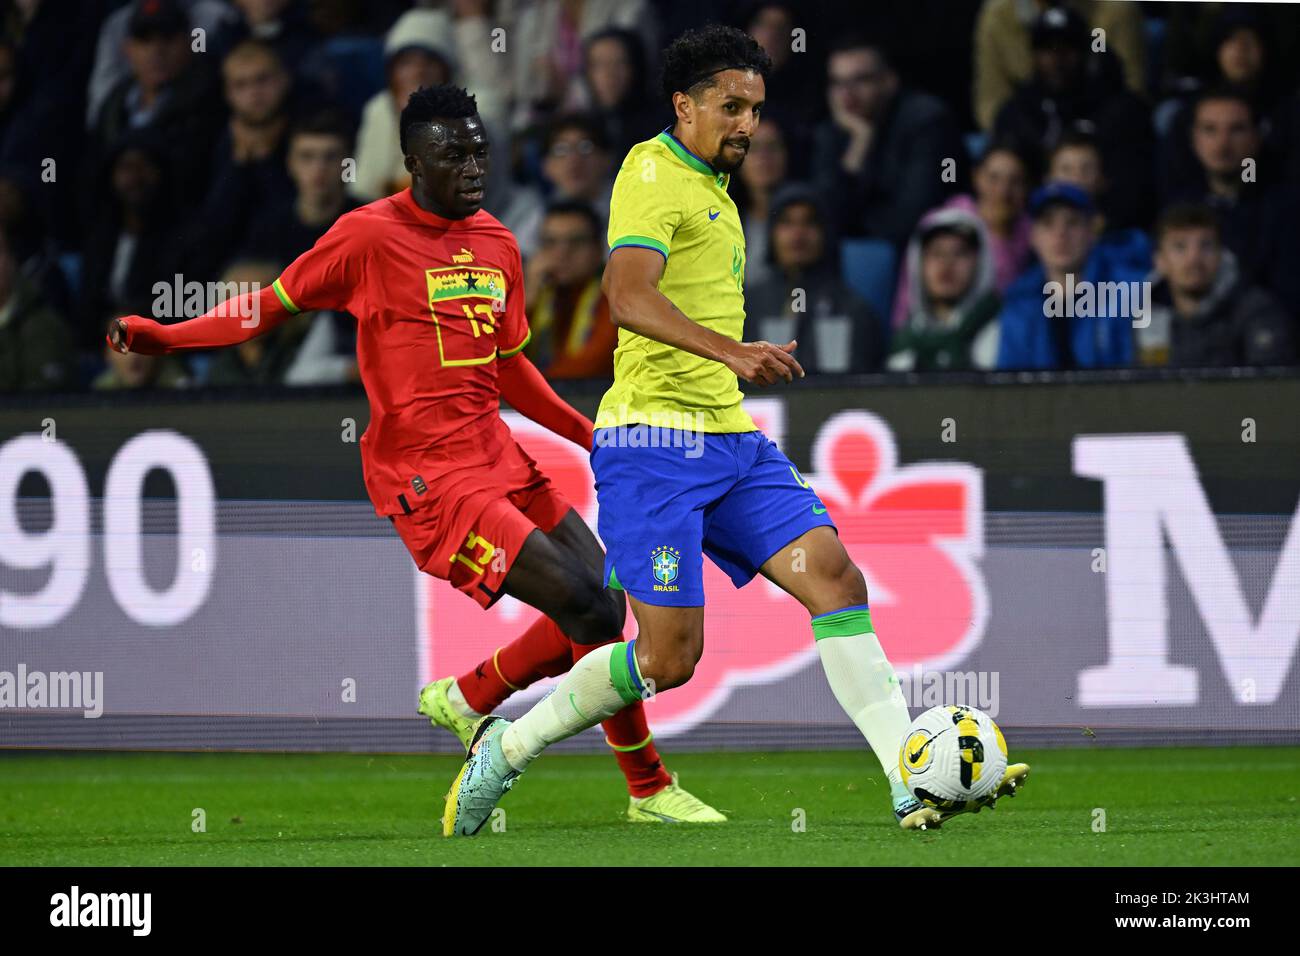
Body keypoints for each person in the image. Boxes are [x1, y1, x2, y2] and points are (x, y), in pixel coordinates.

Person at [442, 25, 1028, 837]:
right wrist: (734, 351)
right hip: (652, 446)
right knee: (668, 659)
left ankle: (909, 780)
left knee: (836, 580)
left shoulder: (715, 185)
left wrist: (729, 372)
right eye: (730, 107)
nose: (746, 124)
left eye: (755, 107)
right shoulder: (652, 172)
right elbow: (627, 294)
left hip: (729, 439)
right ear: (683, 107)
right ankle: (508, 747)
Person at [107, 84, 722, 826]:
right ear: (411, 163)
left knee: (608, 602)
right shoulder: (365, 237)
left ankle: (471, 697)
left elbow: (511, 365)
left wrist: (593, 436)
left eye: (479, 151)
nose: (472, 166)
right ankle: (646, 788)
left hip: (498, 458)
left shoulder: (496, 240)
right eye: (452, 154)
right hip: (428, 479)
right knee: (592, 608)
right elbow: (266, 306)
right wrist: (168, 335)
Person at [811, 36, 964, 247]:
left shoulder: (927, 121)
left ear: (889, 81)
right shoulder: (830, 130)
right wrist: (860, 144)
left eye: (861, 80)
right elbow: (825, 217)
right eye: (838, 83)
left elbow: (913, 217)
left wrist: (856, 223)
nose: (847, 94)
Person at [997, 182, 1144, 370]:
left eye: (1072, 222)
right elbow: (1008, 385)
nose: (1060, 235)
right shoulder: (1019, 302)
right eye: (1048, 224)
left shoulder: (1129, 293)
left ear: (1091, 232)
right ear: (1033, 236)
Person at [890, 139, 1034, 331]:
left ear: (1028, 187)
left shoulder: (1035, 233)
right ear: (977, 177)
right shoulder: (942, 225)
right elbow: (908, 303)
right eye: (993, 178)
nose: (1003, 191)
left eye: (1015, 181)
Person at [744, 184, 882, 374]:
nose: (798, 234)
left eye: (809, 223)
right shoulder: (748, 306)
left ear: (825, 234)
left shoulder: (854, 308)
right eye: (787, 223)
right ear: (771, 234)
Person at [1139, 203, 1294, 368]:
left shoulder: (1256, 311)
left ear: (1221, 255)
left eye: (1206, 246)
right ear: (1160, 261)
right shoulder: (1149, 317)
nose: (1194, 259)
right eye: (1180, 247)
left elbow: (1273, 387)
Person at [887, 209, 1001, 371]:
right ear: (918, 264)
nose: (947, 264)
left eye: (960, 253)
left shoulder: (1001, 326)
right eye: (936, 253)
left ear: (980, 263)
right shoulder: (906, 339)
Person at [523, 200, 617, 379]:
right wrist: (527, 303)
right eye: (550, 242)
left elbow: (592, 366)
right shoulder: (534, 293)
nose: (562, 253)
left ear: (599, 249)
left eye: (576, 241)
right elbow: (498, 358)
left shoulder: (612, 295)